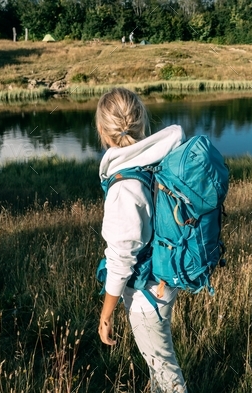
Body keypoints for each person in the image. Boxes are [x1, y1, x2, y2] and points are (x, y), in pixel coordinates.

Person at [96, 87, 188, 393]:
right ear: (141, 121)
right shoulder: (153, 159)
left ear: (103, 131)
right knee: (157, 362)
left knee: (165, 369)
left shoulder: (124, 186)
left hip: (147, 295)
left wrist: (106, 315)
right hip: (162, 282)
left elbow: (121, 259)